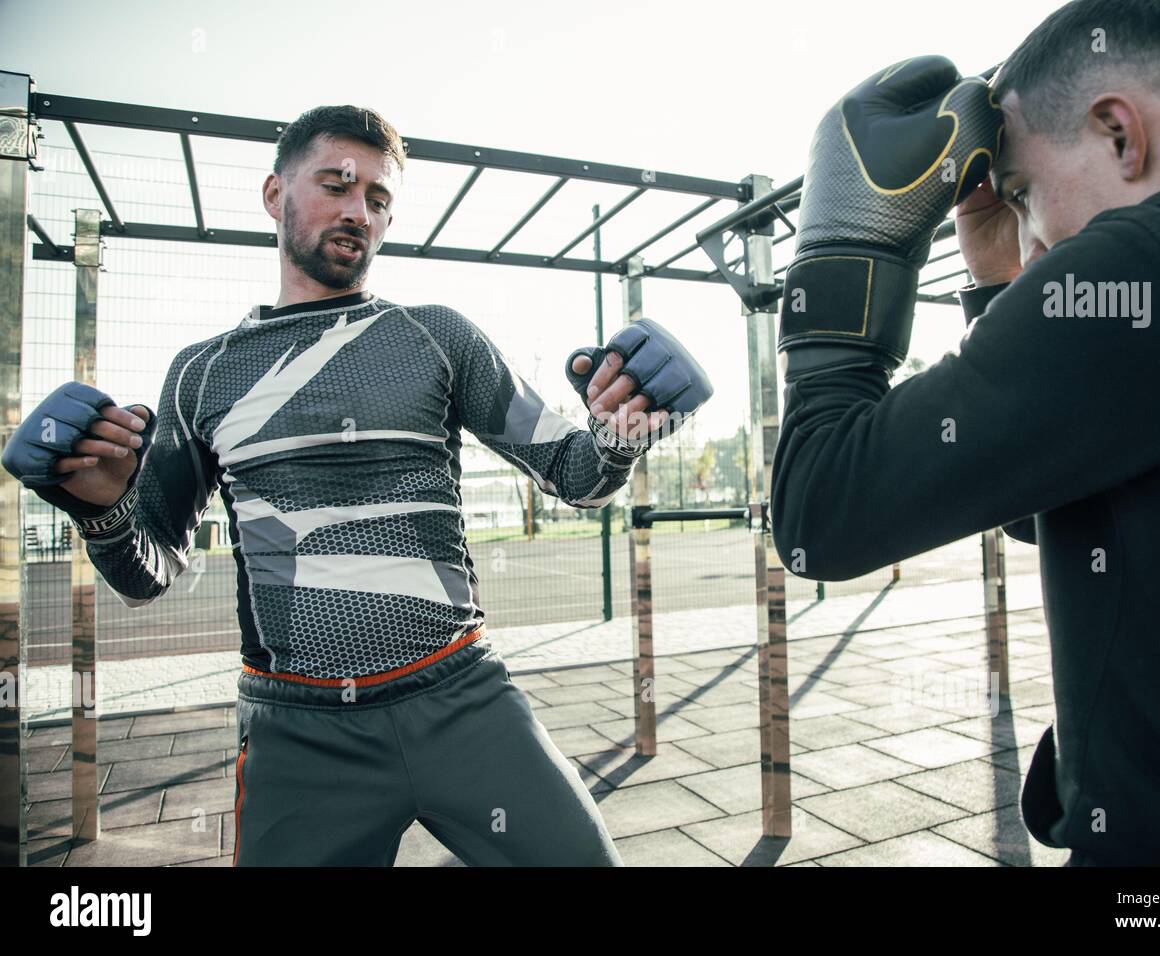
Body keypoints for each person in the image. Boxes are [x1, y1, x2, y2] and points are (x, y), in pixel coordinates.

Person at [3, 104, 711, 866]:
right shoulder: (202, 373)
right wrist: (100, 506)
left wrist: (621, 429)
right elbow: (149, 571)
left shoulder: (438, 335)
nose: (357, 211)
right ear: (276, 195)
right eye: (337, 184)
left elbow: (576, 476)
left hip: (462, 703)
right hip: (300, 735)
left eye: (377, 198)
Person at [767, 0, 1160, 865]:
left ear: (1119, 133)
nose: (1035, 234)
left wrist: (845, 243)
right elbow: (1042, 494)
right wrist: (1000, 282)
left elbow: (818, 516)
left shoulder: (1145, 267)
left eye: (1024, 193)